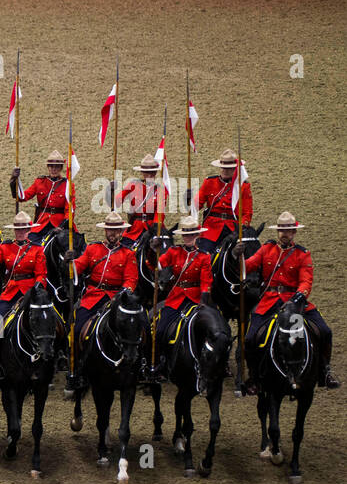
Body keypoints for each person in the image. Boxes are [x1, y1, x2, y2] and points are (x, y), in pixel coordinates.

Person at [241, 211, 338, 391]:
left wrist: (298, 297)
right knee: (249, 339)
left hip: (294, 302)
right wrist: (236, 255)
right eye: (282, 230)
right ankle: (254, 378)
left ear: (294, 232)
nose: (285, 234)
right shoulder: (266, 249)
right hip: (269, 301)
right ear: (278, 231)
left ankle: (325, 371)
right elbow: (247, 266)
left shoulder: (303, 254)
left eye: (289, 230)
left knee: (325, 331)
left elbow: (306, 281)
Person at [63, 212, 140, 388]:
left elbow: (131, 279)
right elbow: (79, 267)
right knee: (75, 330)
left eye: (116, 230)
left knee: (138, 327)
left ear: (122, 232)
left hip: (116, 298)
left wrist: (123, 294)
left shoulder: (128, 254)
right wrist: (69, 262)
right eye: (110, 230)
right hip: (93, 296)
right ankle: (74, 370)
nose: (113, 234)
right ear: (105, 231)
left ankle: (140, 365)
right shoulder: (93, 249)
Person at [0, 212, 49, 380]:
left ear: (29, 230)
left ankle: (54, 355)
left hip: (31, 292)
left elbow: (41, 275)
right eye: (18, 230)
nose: (20, 232)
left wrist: (37, 286)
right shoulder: (5, 248)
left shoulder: (37, 249)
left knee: (51, 318)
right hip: (11, 291)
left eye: (24, 229)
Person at [147, 216, 213, 381]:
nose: (188, 238)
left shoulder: (204, 256)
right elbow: (156, 265)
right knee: (160, 329)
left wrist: (204, 300)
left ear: (197, 236)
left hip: (196, 298)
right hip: (176, 297)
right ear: (182, 236)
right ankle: (160, 362)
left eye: (192, 235)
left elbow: (206, 281)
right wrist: (152, 251)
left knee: (213, 330)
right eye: (186, 235)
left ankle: (211, 364)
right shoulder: (173, 252)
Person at [195, 149, 253, 252]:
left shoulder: (243, 186)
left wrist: (241, 229)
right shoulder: (209, 182)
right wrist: (188, 200)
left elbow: (247, 213)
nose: (224, 171)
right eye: (223, 168)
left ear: (235, 169)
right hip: (211, 229)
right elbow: (195, 207)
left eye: (229, 168)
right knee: (204, 254)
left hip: (233, 229)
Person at [11, 150, 77, 235]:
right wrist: (14, 181)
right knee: (30, 242)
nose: (54, 169)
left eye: (57, 167)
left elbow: (70, 210)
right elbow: (22, 197)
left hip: (60, 224)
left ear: (61, 168)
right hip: (42, 223)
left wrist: (61, 226)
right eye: (51, 166)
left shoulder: (68, 185)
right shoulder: (40, 182)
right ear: (48, 167)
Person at [113, 154, 166, 242]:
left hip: (153, 227)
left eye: (152, 172)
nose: (149, 175)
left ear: (156, 173)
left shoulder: (160, 190)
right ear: (142, 172)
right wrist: (111, 190)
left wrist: (156, 227)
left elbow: (160, 212)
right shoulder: (134, 185)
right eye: (146, 172)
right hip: (135, 228)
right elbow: (117, 202)